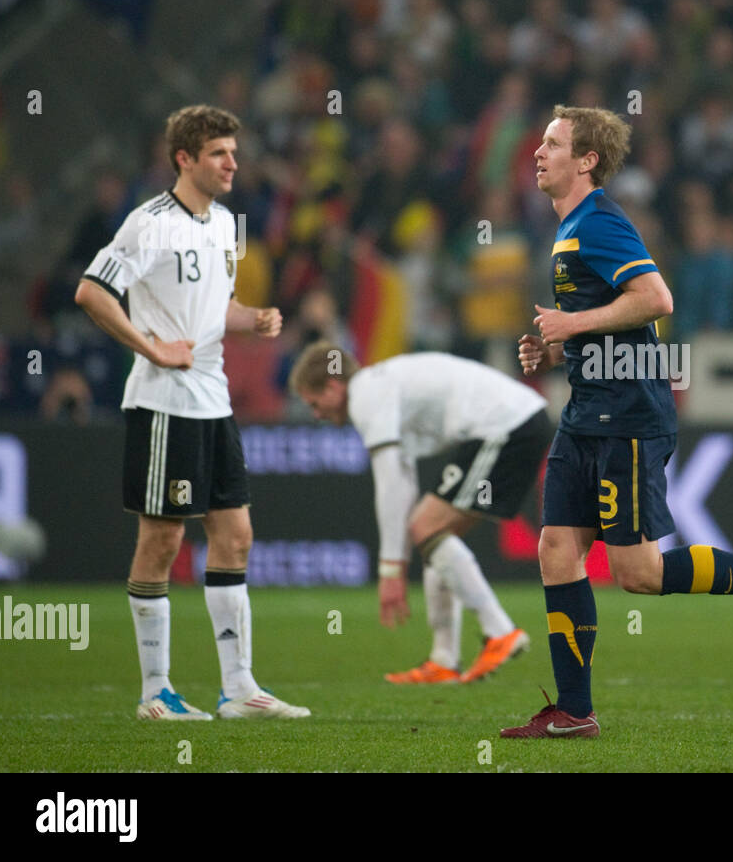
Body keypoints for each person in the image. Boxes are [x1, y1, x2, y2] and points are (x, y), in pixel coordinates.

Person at [501, 105, 733, 739]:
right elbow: (618, 318)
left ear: (587, 160)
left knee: (639, 575)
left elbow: (657, 298)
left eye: (552, 143)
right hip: (586, 411)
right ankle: (575, 712)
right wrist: (556, 347)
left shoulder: (599, 222)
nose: (538, 153)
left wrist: (571, 324)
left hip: (628, 415)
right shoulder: (570, 226)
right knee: (556, 548)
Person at [75, 105, 310, 720]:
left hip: (214, 399)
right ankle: (155, 693)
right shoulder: (147, 224)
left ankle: (239, 689)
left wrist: (250, 318)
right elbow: (91, 292)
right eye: (219, 154)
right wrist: (151, 347)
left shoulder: (228, 223)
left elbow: (215, 303)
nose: (233, 162)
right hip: (162, 402)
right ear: (184, 159)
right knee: (162, 539)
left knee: (235, 536)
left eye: (234, 151)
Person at [291, 340, 550, 683]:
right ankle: (444, 660)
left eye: (315, 402)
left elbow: (391, 484)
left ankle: (500, 631)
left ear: (334, 386)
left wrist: (390, 569)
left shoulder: (366, 394)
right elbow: (403, 476)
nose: (316, 414)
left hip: (506, 426)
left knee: (425, 528)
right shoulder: (381, 385)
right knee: (434, 536)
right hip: (519, 421)